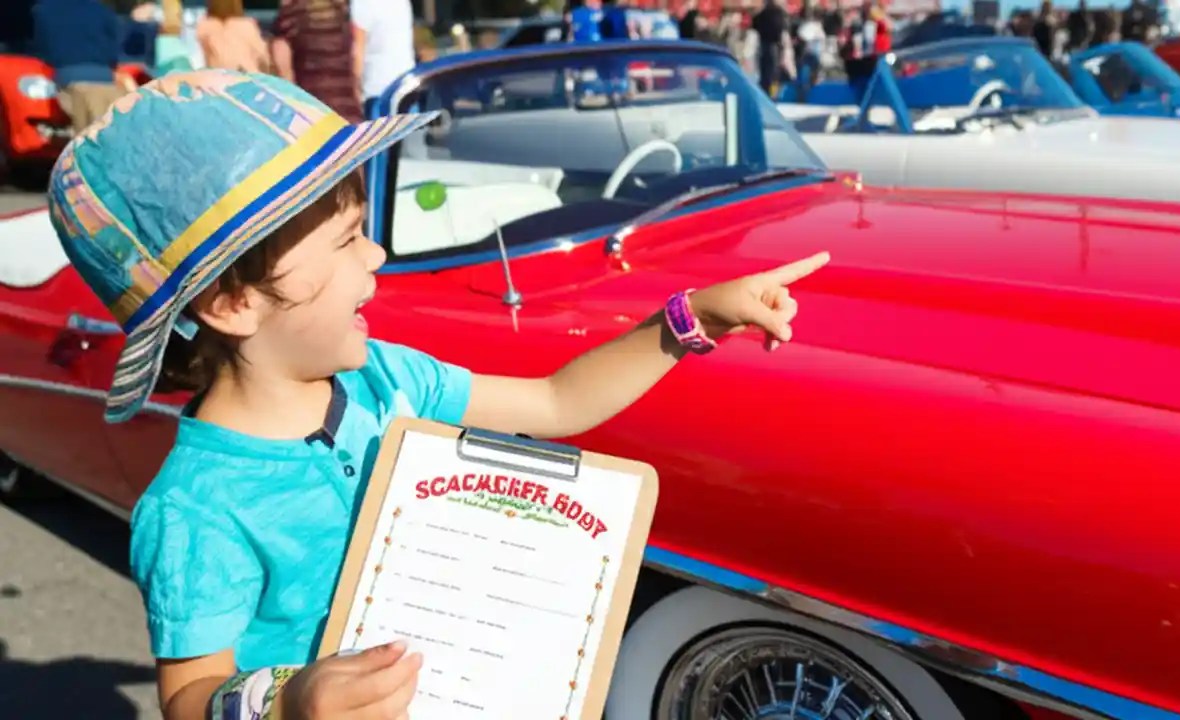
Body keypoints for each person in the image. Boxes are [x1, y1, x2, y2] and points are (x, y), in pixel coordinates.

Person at [45, 68, 828, 720]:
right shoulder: (197, 508)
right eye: (348, 238)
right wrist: (290, 701)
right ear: (232, 304)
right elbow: (188, 697)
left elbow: (557, 403)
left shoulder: (388, 380)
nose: (376, 253)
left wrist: (691, 319)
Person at [30, 0, 126, 133]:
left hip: (69, 77)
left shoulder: (43, 10)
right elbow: (115, 49)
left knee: (85, 137)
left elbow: (41, 48)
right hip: (104, 78)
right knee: (105, 133)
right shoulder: (102, 10)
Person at [271, 0, 363, 123]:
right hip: (349, 114)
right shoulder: (342, 13)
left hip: (313, 116)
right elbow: (355, 60)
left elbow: (282, 68)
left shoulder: (289, 17)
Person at [350, 0, 415, 118]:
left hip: (377, 92)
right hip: (408, 88)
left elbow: (357, 50)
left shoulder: (362, 3)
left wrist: (353, 91)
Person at [196, 0, 271, 74]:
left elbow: (207, 62)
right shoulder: (247, 25)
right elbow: (264, 59)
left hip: (219, 79)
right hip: (249, 76)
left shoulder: (204, 25)